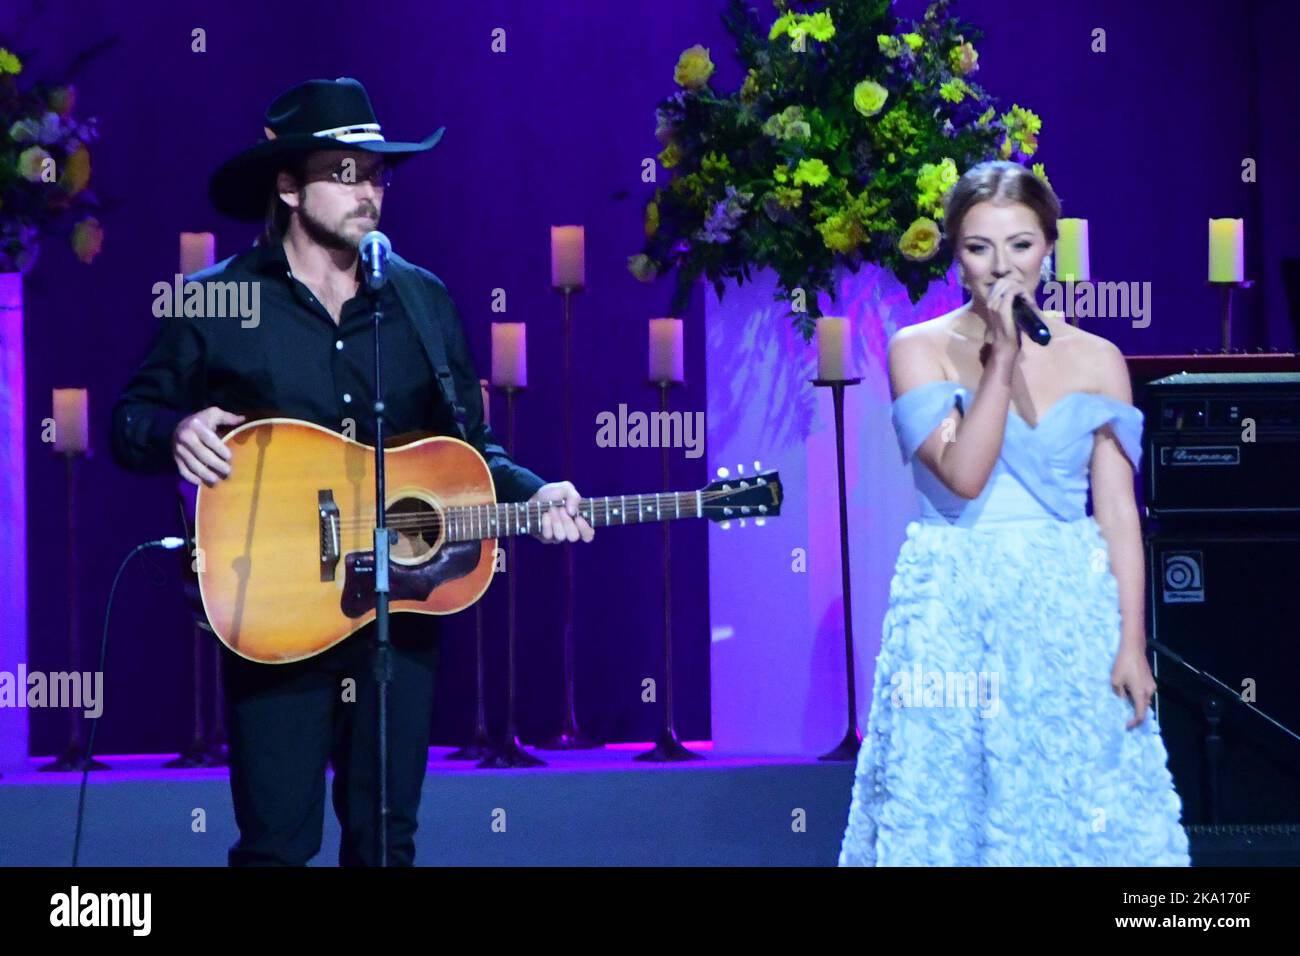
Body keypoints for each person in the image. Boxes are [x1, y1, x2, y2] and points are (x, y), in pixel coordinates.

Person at [110, 77, 595, 866]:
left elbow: (470, 449)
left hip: (395, 613)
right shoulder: (217, 299)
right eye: (346, 172)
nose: (369, 189)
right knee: (276, 843)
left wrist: (536, 494)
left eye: (377, 173)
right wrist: (176, 431)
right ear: (290, 184)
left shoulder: (421, 301)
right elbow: (126, 422)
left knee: (385, 840)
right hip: (272, 607)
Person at [838, 160, 1190, 866]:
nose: (1004, 267)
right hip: (953, 608)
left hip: (1064, 608)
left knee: (1074, 803)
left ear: (1050, 246)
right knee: (949, 807)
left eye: (1021, 245)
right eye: (980, 247)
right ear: (955, 256)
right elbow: (965, 475)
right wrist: (1000, 363)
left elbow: (1119, 514)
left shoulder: (1096, 357)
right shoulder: (919, 349)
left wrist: (1131, 643)